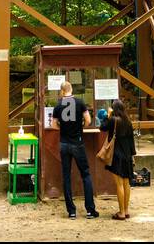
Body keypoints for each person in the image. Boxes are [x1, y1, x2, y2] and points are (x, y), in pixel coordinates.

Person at [51, 81, 99, 219]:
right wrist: (79, 127)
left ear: (61, 91)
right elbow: (88, 121)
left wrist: (63, 128)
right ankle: (90, 210)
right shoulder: (80, 102)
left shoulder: (58, 105)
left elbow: (54, 125)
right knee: (85, 174)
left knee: (66, 176)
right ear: (71, 89)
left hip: (64, 144)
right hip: (77, 142)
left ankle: (71, 211)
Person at [100, 99, 136, 220]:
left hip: (116, 156)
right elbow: (132, 141)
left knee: (119, 184)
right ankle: (126, 211)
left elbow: (102, 127)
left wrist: (108, 115)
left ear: (114, 109)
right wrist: (132, 155)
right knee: (127, 184)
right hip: (127, 156)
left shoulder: (113, 120)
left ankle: (120, 213)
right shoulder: (128, 121)